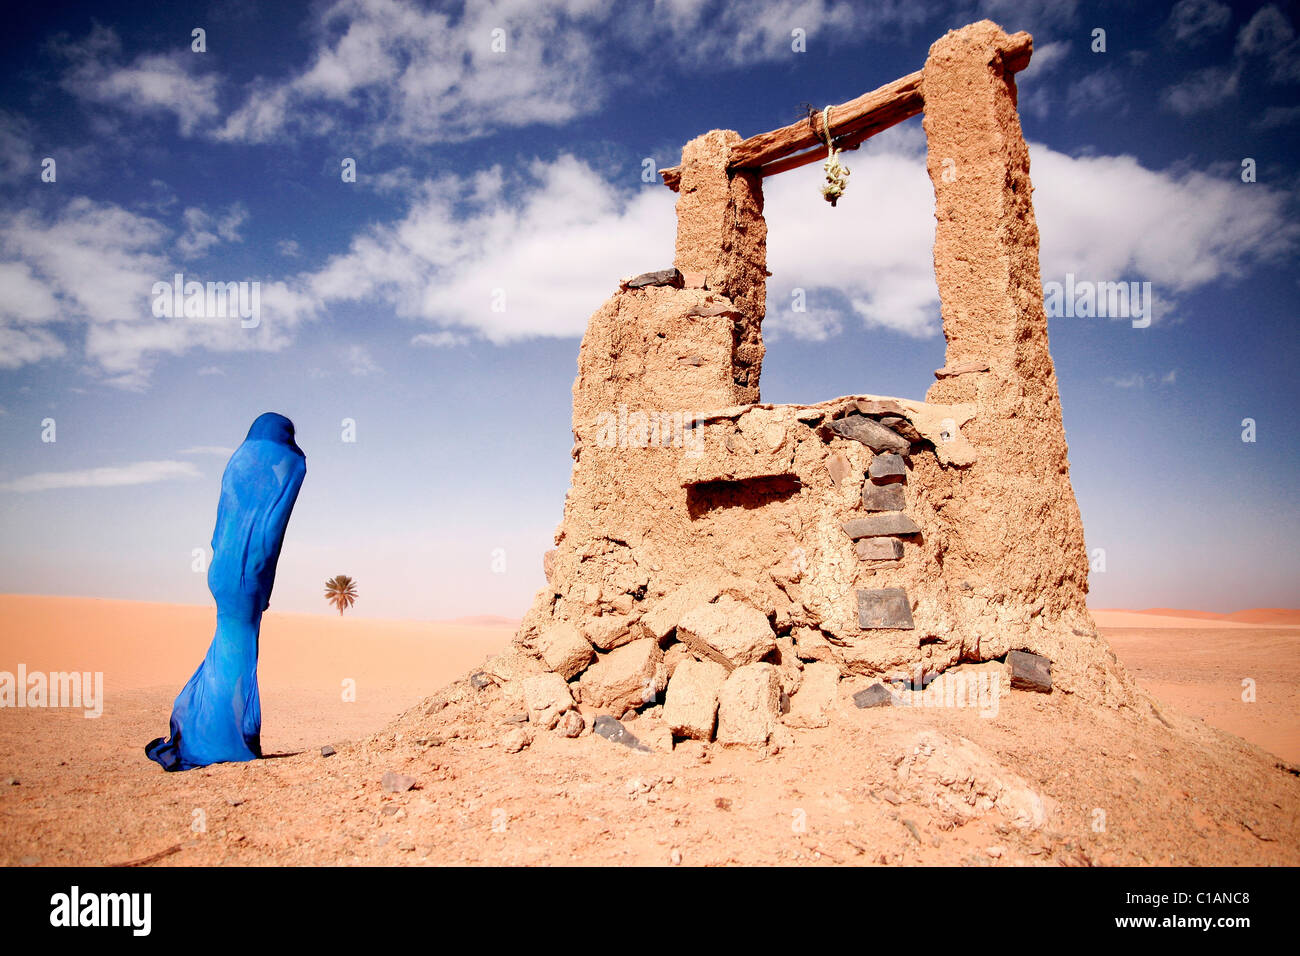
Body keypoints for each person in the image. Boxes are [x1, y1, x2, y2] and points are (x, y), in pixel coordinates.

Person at [145, 413, 306, 771]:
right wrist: (264, 584)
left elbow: (221, 525)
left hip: (222, 568)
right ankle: (221, 738)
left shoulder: (239, 462)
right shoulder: (290, 465)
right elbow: (269, 539)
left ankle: (226, 730)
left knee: (228, 645)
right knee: (237, 651)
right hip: (248, 574)